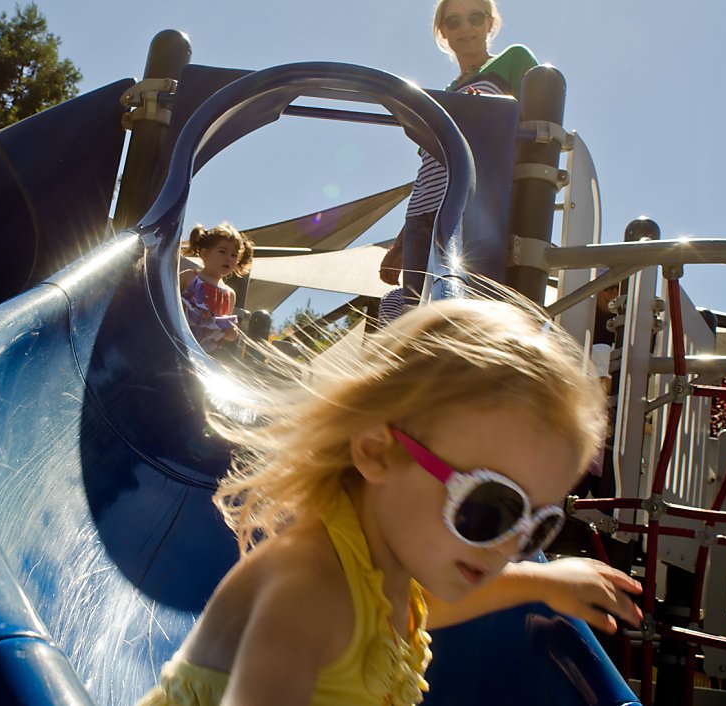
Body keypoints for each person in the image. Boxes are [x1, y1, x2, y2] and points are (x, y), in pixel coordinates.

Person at [137, 294, 643, 706]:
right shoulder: (310, 589)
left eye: (536, 526)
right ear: (378, 453)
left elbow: (426, 609)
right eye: (491, 508)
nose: (507, 547)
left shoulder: (393, 561)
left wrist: (542, 579)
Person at [379, 0, 539, 307]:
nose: (465, 28)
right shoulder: (442, 96)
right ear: (442, 31)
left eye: (475, 18)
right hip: (421, 215)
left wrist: (484, 117)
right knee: (416, 311)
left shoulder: (512, 61)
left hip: (473, 208)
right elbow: (430, 171)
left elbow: (535, 130)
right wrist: (401, 241)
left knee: (465, 308)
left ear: (490, 23)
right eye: (453, 22)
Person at [181, 223, 254, 354]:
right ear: (204, 254)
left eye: (234, 255)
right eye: (222, 251)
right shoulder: (189, 277)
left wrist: (232, 333)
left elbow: (227, 331)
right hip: (176, 340)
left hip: (203, 354)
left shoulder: (229, 294)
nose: (228, 258)